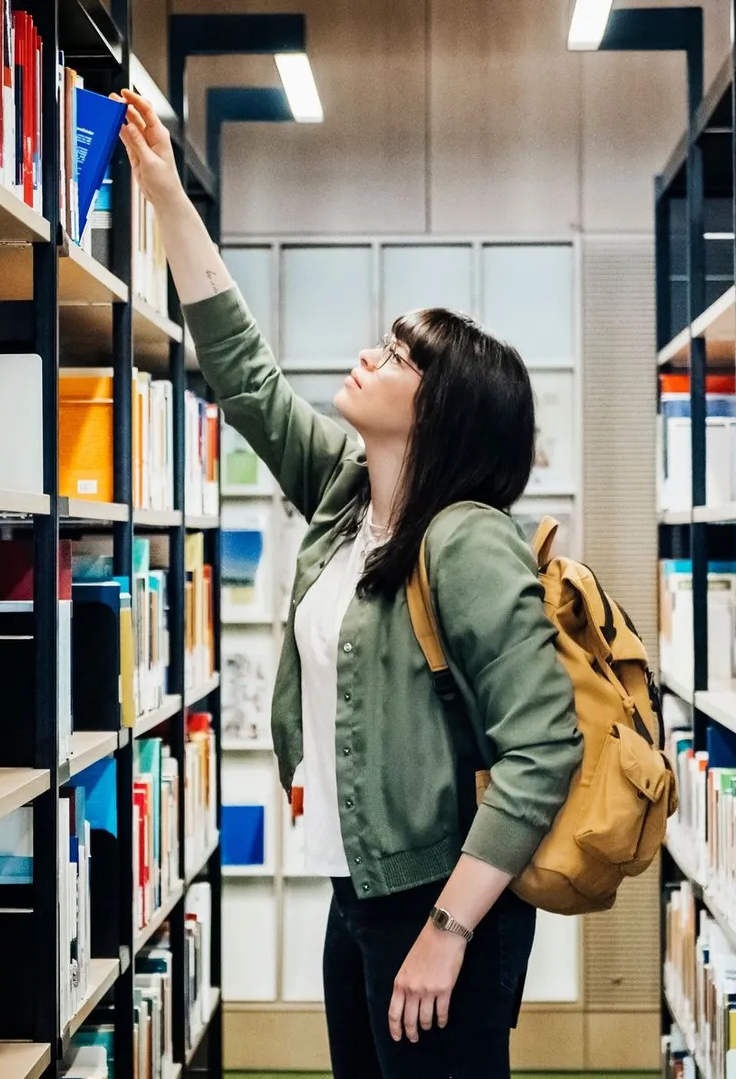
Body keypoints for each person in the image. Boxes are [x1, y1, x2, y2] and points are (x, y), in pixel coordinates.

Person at [116, 91, 583, 1078]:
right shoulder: (346, 493)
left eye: (401, 356)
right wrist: (164, 194)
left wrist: (450, 928)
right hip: (358, 887)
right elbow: (245, 377)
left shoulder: (466, 540)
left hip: (439, 902)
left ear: (443, 412)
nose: (372, 355)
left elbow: (544, 747)